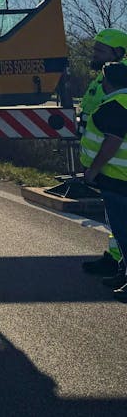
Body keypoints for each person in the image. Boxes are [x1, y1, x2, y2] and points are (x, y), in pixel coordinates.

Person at [79, 28, 127, 277]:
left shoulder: (119, 78)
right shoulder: (107, 74)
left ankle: (120, 265)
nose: (94, 53)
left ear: (119, 53)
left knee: (121, 220)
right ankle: (115, 259)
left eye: (101, 50)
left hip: (116, 165)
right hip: (111, 165)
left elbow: (115, 134)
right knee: (115, 220)